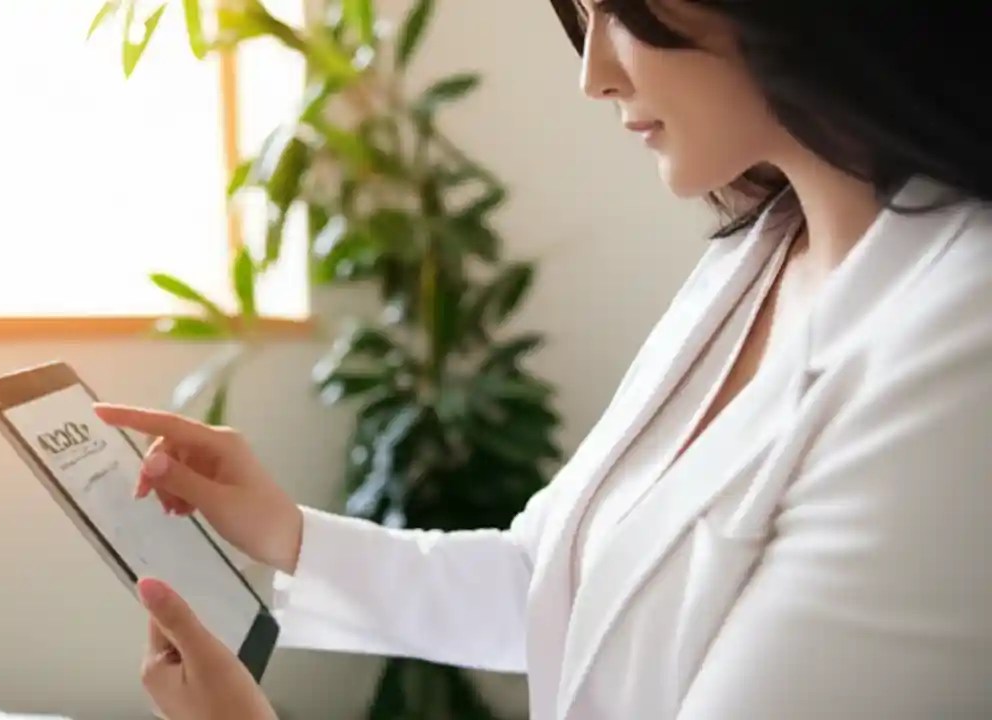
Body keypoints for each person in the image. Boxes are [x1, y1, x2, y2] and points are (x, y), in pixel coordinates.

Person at [99, 1, 992, 717]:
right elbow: (561, 582)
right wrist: (288, 536)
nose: (592, 73)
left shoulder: (960, 344)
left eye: (618, 10)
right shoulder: (758, 256)